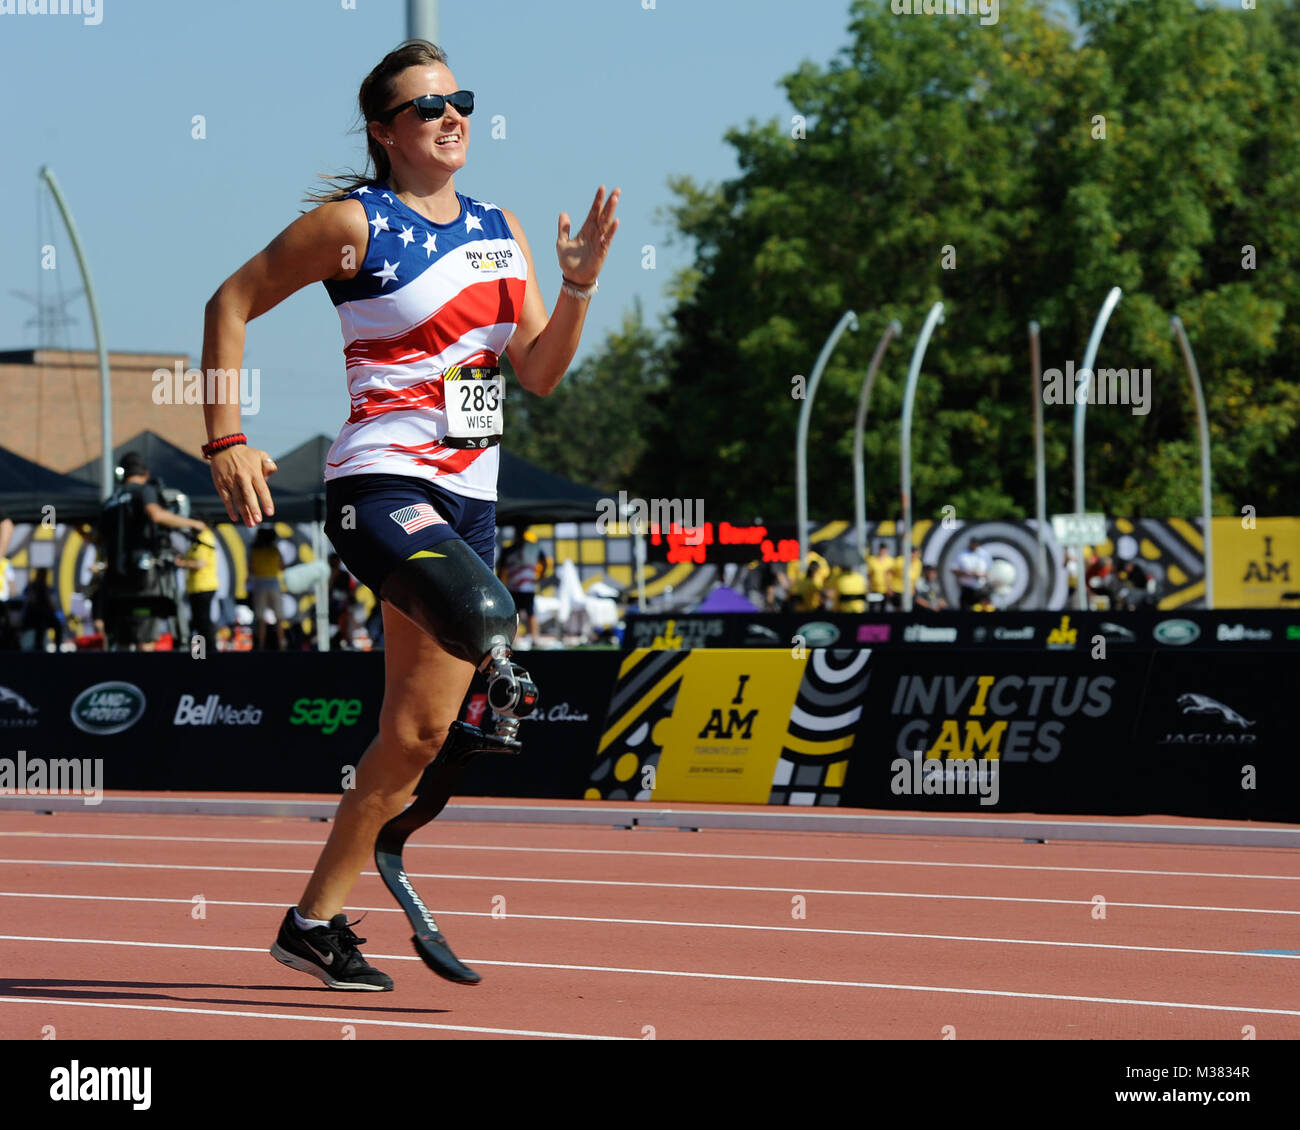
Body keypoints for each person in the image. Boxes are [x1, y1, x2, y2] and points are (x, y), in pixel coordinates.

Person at [200, 39, 618, 990]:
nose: (453, 115)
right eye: (429, 107)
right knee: (488, 621)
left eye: (460, 99)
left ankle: (313, 921)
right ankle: (501, 672)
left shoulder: (501, 229)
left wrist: (581, 283)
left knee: (415, 736)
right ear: (386, 132)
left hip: (471, 505)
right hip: (381, 487)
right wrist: (227, 437)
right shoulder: (354, 224)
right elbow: (231, 299)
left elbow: (540, 375)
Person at [101, 452, 207, 649]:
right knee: (145, 637)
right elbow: (156, 515)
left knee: (123, 637)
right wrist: (192, 523)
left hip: (116, 577)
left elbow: (98, 538)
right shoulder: (144, 491)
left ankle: (123, 679)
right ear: (146, 473)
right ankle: (144, 679)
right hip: (142, 577)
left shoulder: (110, 500)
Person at [499, 529, 546, 648]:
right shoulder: (510, 549)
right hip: (515, 587)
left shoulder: (531, 547)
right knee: (517, 614)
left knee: (529, 613)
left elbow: (544, 561)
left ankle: (533, 638)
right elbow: (501, 567)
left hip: (526, 587)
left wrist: (540, 577)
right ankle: (516, 639)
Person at [178, 526, 220, 654]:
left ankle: (205, 652)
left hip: (204, 587)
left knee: (203, 622)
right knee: (198, 621)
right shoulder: (198, 540)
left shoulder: (204, 539)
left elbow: (199, 563)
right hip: (196, 587)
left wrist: (181, 563)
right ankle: (198, 652)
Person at [247, 526, 285, 650]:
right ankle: (281, 645)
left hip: (260, 584)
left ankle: (261, 646)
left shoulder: (255, 550)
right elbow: (282, 566)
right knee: (279, 617)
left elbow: (250, 568)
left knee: (260, 618)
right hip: (273, 583)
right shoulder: (274, 550)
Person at [20, 568, 63, 650]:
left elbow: (51, 605)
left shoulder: (47, 588)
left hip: (45, 616)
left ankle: (58, 648)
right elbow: (30, 603)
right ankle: (38, 648)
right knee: (40, 623)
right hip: (32, 616)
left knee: (57, 625)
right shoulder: (31, 587)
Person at [951, 537, 990, 611]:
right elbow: (954, 569)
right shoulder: (962, 554)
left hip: (981, 590)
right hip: (967, 589)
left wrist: (980, 575)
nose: (974, 546)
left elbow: (989, 571)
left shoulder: (984, 554)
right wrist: (965, 573)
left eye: (976, 545)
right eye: (973, 544)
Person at [867, 542, 897, 610]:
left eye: (884, 549)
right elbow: (869, 575)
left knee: (883, 608)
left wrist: (890, 587)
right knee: (872, 607)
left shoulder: (891, 561)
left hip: (885, 589)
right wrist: (868, 587)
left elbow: (893, 575)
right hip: (874, 589)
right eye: (881, 549)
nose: (882, 551)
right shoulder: (872, 560)